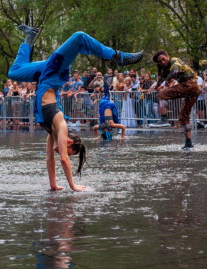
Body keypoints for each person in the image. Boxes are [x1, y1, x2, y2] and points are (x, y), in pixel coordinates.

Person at [8, 25, 142, 191]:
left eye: (67, 152)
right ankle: (117, 56)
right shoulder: (62, 126)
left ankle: (29, 36)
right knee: (79, 37)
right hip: (55, 71)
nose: (63, 152)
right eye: (69, 150)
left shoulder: (52, 133)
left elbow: (50, 160)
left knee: (13, 72)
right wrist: (73, 185)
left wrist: (54, 185)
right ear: (69, 141)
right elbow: (64, 159)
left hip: (45, 73)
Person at [149, 50, 201, 149]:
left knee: (161, 95)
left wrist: (168, 81)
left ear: (167, 55)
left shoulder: (174, 61)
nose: (162, 62)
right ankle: (188, 143)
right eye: (160, 62)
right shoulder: (166, 68)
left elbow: (175, 72)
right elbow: (161, 79)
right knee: (183, 117)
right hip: (193, 90)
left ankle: (164, 119)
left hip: (189, 85)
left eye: (163, 59)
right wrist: (154, 86)